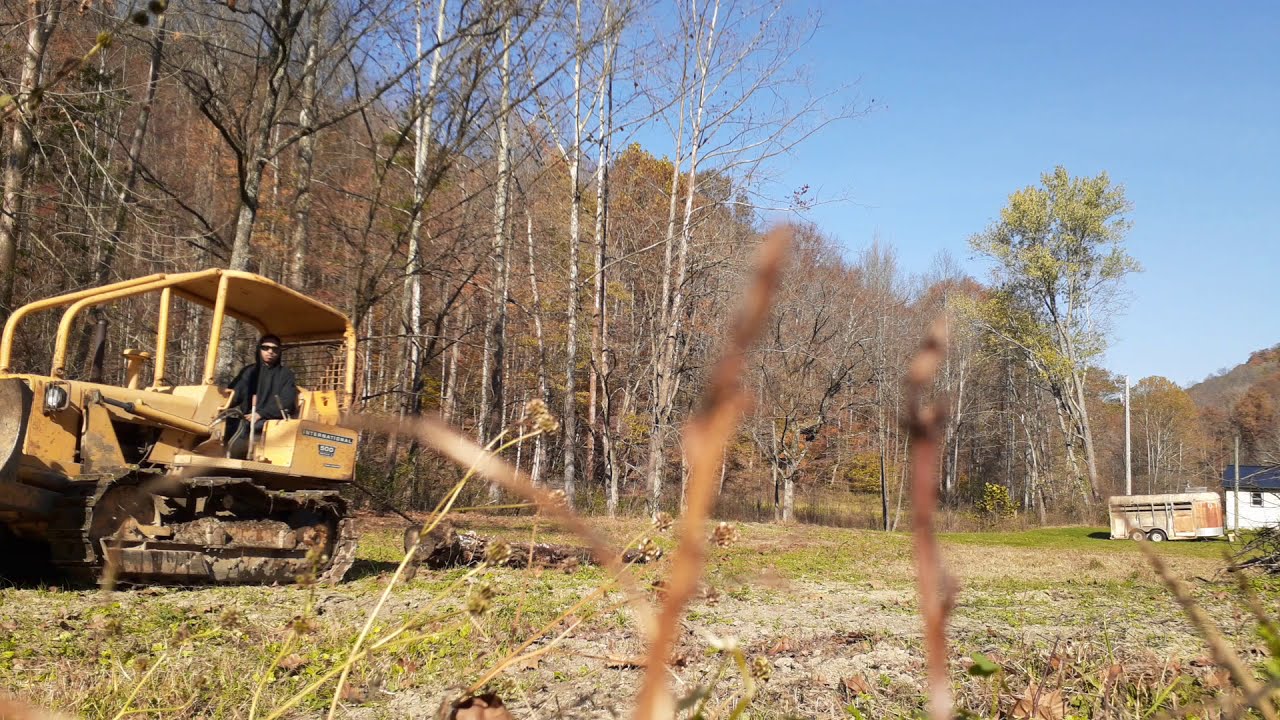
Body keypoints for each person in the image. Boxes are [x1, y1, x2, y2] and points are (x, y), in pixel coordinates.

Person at [224, 334, 298, 458]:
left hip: (271, 420)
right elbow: (234, 394)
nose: (270, 351)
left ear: (279, 352)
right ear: (259, 349)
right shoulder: (249, 372)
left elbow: (287, 402)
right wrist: (222, 406)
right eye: (266, 348)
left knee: (245, 429)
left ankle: (234, 460)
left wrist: (260, 414)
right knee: (226, 424)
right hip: (247, 417)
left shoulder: (285, 374)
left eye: (275, 349)